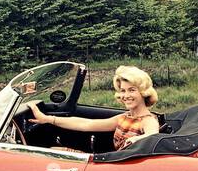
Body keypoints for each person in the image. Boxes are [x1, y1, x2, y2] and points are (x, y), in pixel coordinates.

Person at [25, 65, 160, 151]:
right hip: (113, 160)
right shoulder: (124, 118)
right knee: (52, 150)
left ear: (143, 92)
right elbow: (86, 124)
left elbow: (153, 135)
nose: (126, 95)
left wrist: (137, 139)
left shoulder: (148, 120)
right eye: (122, 91)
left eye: (132, 90)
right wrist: (48, 119)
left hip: (119, 168)